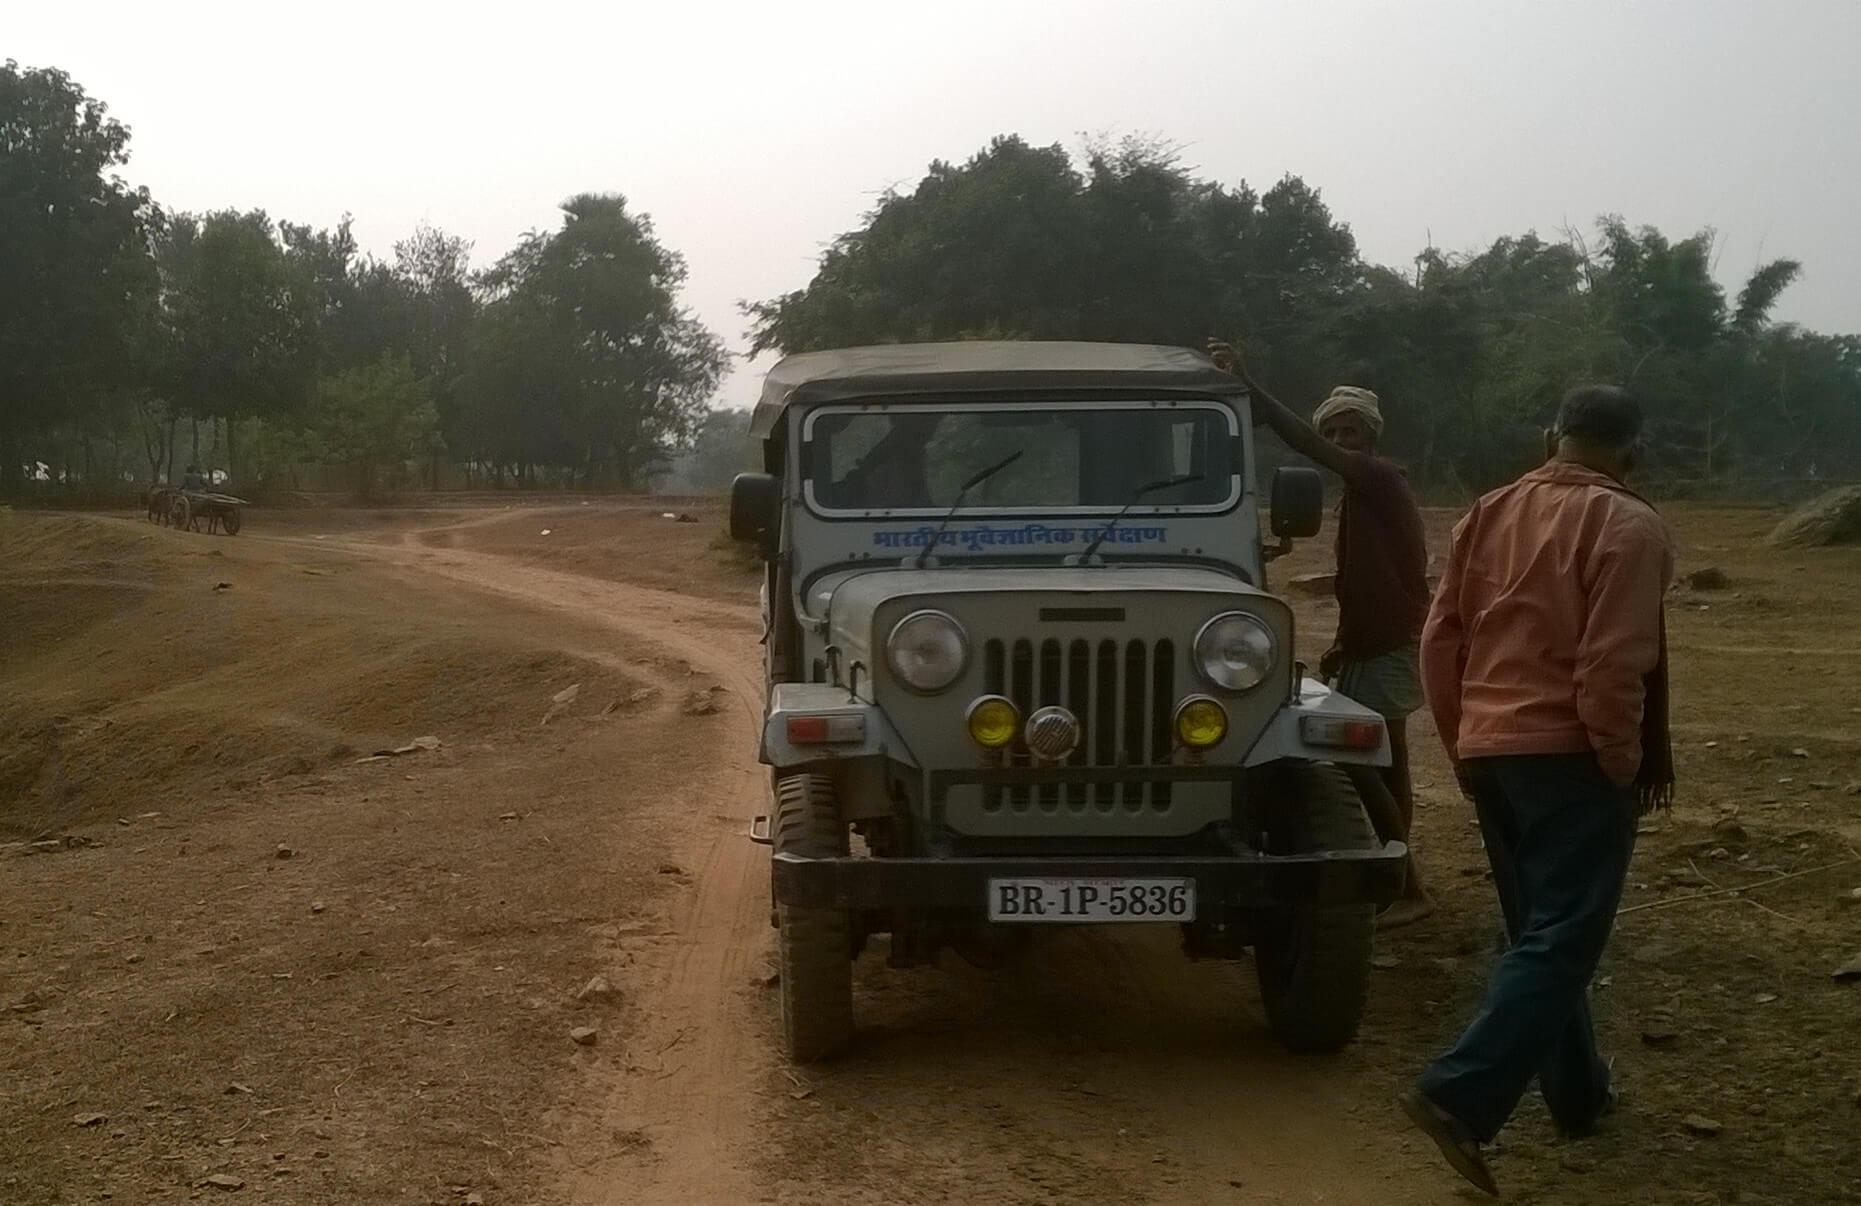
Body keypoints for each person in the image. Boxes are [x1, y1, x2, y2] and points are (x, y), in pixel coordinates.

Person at [1399, 385, 1674, 1197]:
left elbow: (1438, 638)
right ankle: (1457, 1092)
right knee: (1564, 934)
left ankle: (1577, 1096)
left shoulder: (1486, 511)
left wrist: (1461, 742)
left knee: (1538, 930)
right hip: (1570, 754)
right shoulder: (1629, 523)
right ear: (1631, 448)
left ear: (1553, 435)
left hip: (1490, 749)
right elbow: (1612, 662)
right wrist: (1619, 763)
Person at [1208, 341, 1436, 926]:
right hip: (1370, 643)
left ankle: (1407, 887)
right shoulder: (1361, 495)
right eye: (1332, 432)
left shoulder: (1379, 478)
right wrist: (1342, 646)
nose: (1340, 439)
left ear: (1372, 434)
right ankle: (1398, 879)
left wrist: (1253, 389)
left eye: (1350, 429)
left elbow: (1301, 443)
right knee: (1380, 765)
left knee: (1374, 765)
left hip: (1390, 643)